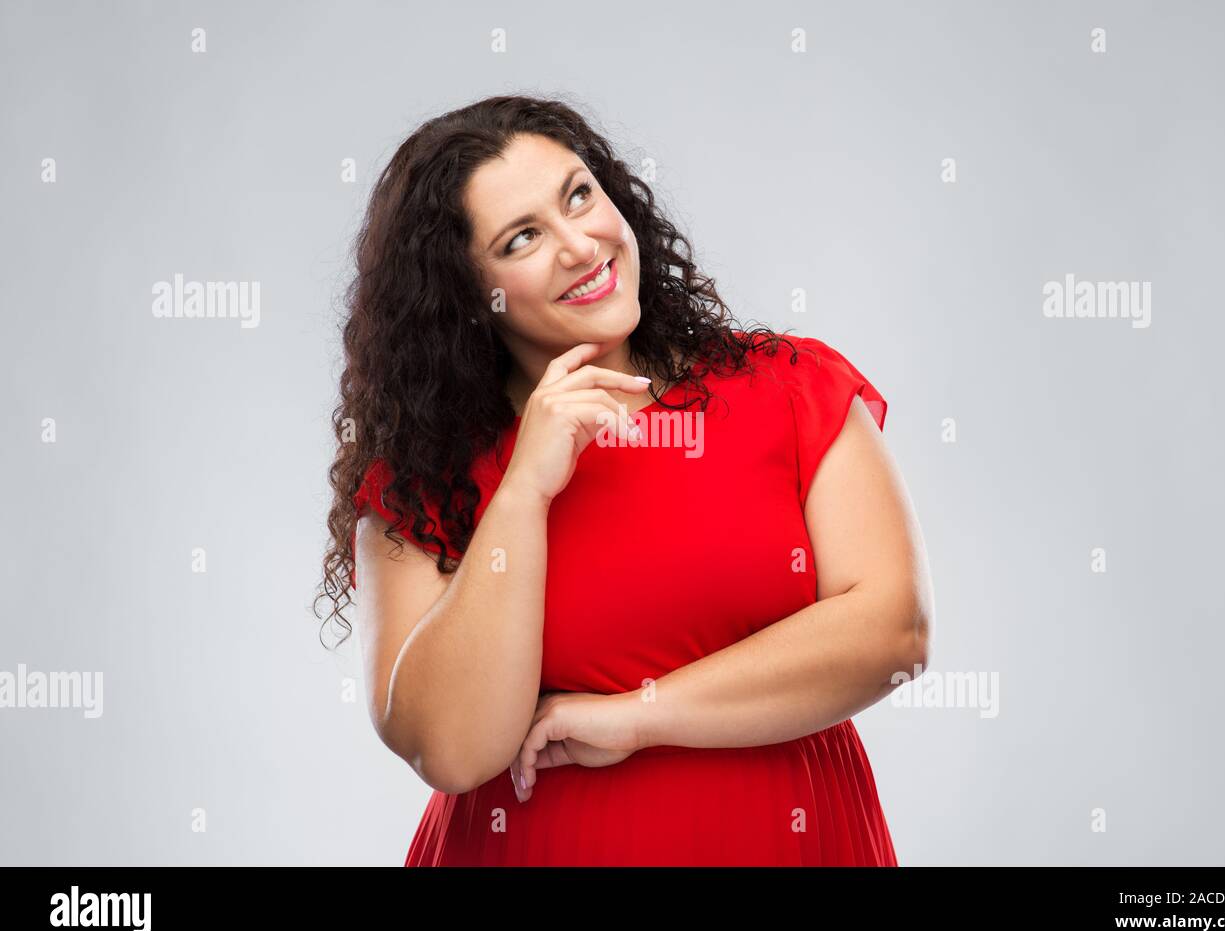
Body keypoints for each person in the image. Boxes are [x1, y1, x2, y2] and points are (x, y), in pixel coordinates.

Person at [316, 94, 933, 865]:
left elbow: (892, 633)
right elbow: (451, 749)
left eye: (580, 195)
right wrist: (524, 492)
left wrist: (641, 715)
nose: (580, 245)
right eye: (522, 239)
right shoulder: (421, 475)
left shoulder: (792, 388)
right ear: (467, 299)